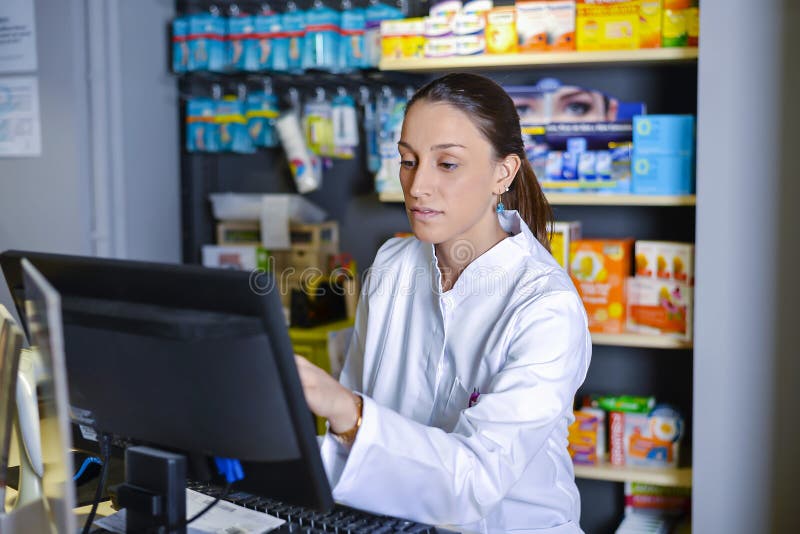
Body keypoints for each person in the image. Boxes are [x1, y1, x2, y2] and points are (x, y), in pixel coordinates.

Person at [294, 73, 592, 534]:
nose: (417, 187)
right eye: (408, 161)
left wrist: (342, 409)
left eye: (447, 164)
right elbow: (357, 415)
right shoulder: (393, 265)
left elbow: (473, 480)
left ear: (503, 173)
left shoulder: (545, 307)